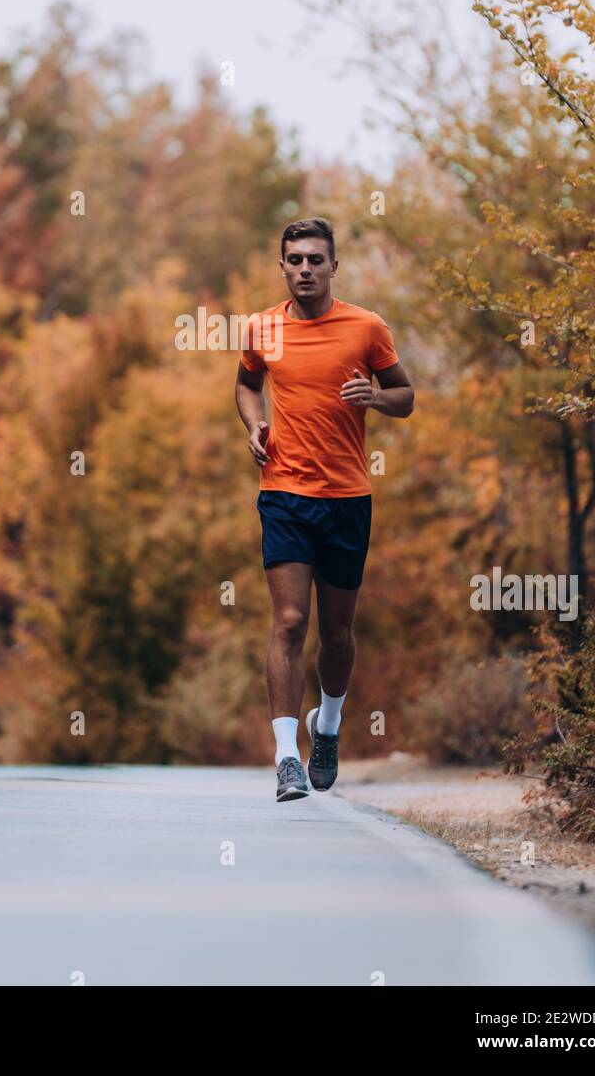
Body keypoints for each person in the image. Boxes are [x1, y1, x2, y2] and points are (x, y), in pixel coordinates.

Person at [235, 217, 415, 802]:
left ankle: (328, 728)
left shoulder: (366, 328)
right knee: (289, 622)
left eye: (316, 260)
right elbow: (245, 385)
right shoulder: (262, 328)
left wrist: (376, 397)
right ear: (282, 266)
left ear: (333, 266)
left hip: (347, 498)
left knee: (337, 634)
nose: (305, 270)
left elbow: (406, 396)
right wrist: (255, 424)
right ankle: (287, 757)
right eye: (295, 260)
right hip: (284, 492)